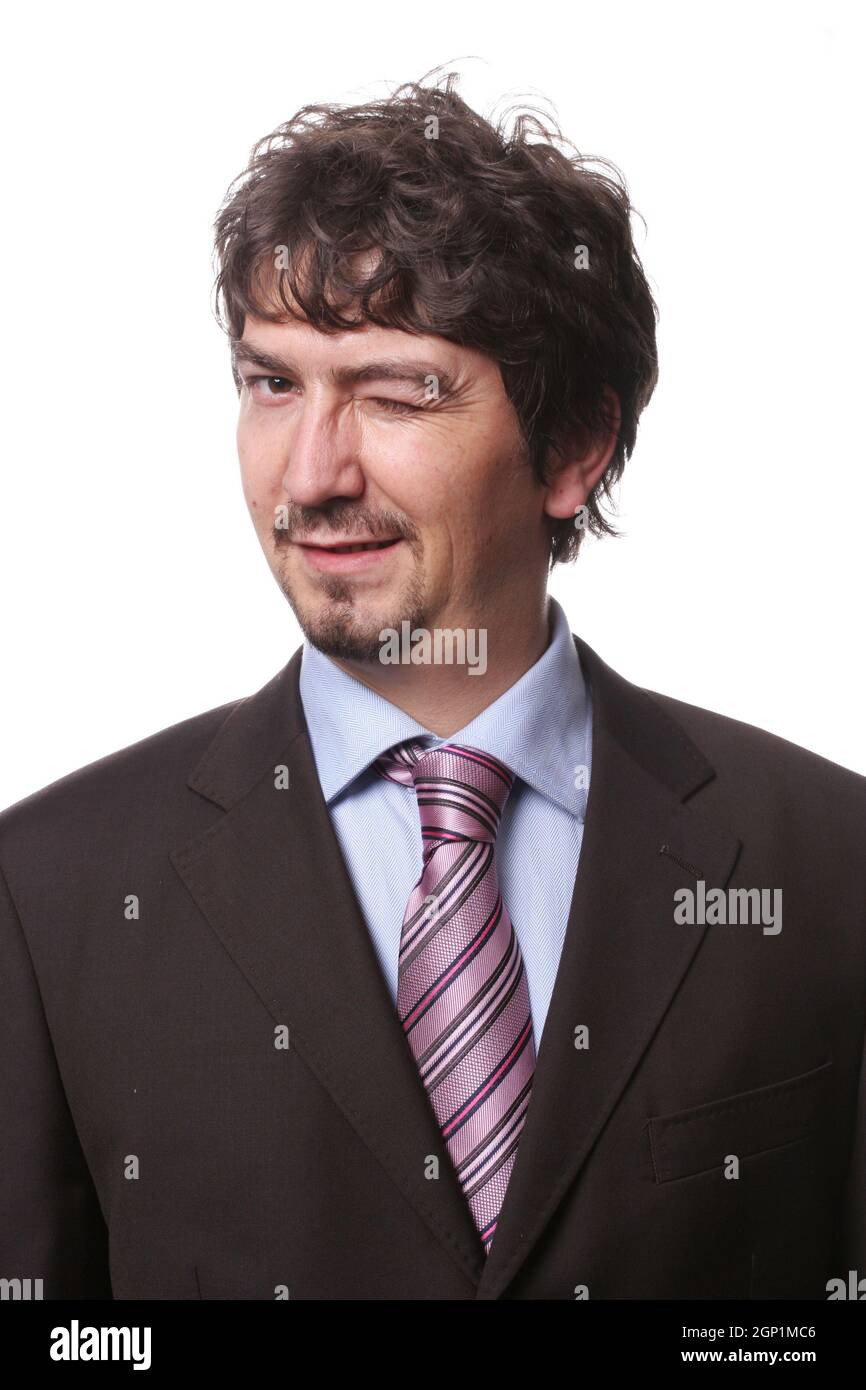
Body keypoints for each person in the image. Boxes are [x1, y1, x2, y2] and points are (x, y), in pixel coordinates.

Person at [2, 73, 864, 1301]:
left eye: (397, 392)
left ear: (573, 448)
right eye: (272, 383)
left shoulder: (829, 866)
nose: (310, 473)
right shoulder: (48, 895)